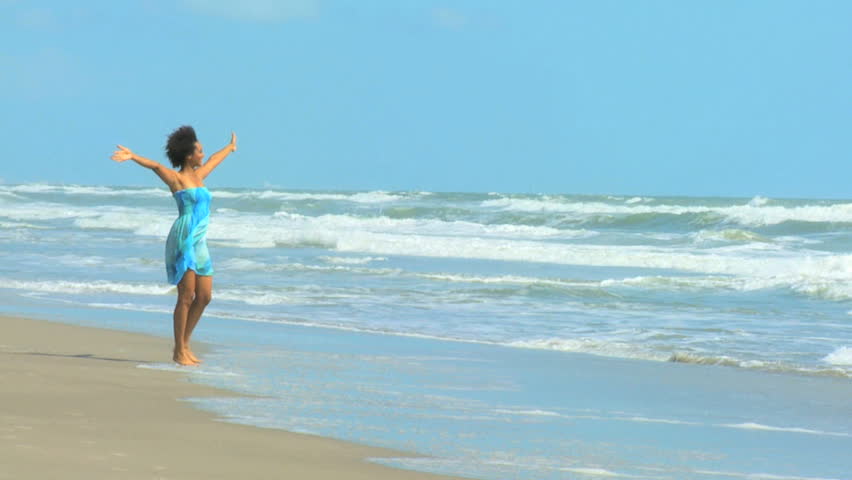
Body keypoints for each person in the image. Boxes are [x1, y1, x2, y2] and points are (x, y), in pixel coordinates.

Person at [111, 126, 236, 365]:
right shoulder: (177, 179)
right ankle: (179, 351)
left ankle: (184, 344)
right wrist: (133, 156)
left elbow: (214, 159)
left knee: (204, 296)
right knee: (186, 296)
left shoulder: (199, 176)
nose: (203, 154)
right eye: (199, 151)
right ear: (189, 155)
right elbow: (156, 166)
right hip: (183, 238)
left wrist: (230, 147)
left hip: (200, 240)